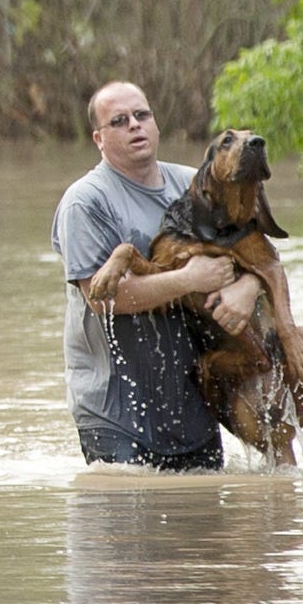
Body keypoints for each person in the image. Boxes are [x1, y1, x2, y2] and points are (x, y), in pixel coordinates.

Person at [50, 81, 263, 471]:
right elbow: (102, 300)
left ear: (156, 124)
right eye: (119, 121)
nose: (135, 125)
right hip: (114, 412)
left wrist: (248, 287)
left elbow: (260, 255)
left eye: (141, 115)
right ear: (99, 139)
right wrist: (189, 279)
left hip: (193, 404)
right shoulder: (86, 202)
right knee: (127, 525)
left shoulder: (195, 184)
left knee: (199, 527)